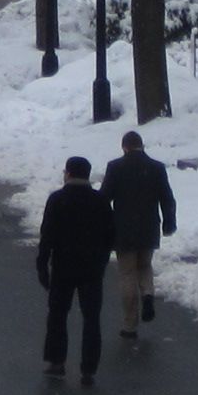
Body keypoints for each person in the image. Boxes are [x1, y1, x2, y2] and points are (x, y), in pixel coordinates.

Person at [35, 155, 118, 382]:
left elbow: (47, 234)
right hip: (92, 268)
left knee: (58, 314)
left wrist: (42, 264)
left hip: (63, 266)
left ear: (69, 173)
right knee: (92, 318)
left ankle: (56, 361)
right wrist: (101, 257)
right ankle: (89, 367)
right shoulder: (100, 201)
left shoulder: (58, 199)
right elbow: (111, 235)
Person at [100, 129, 179, 340]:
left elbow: (104, 197)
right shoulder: (156, 168)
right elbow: (167, 198)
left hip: (124, 229)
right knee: (144, 266)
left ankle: (129, 325)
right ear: (141, 145)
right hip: (149, 226)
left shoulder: (115, 167)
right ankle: (148, 294)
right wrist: (169, 224)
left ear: (124, 147)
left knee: (127, 273)